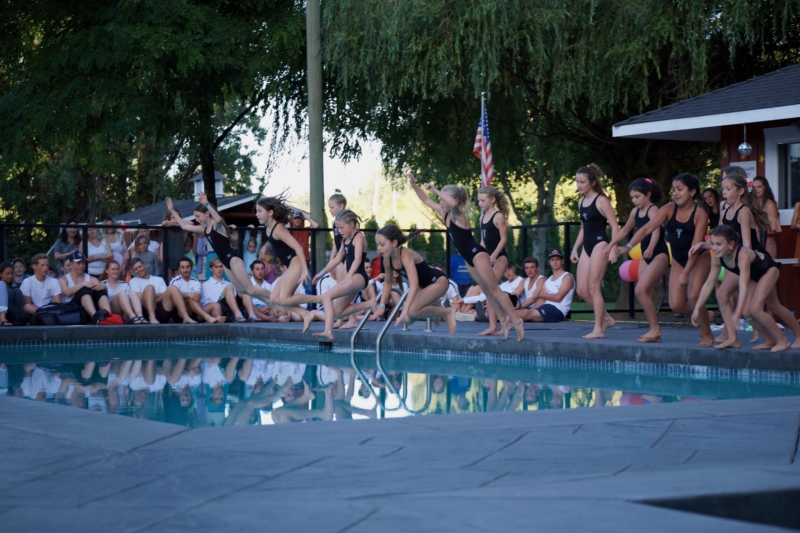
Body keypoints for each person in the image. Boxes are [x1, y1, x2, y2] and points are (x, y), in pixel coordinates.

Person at [409, 173, 522, 340]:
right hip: (468, 259)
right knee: (487, 291)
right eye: (440, 199)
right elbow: (425, 199)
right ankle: (501, 322)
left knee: (494, 290)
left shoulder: (458, 215)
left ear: (454, 200)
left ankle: (516, 321)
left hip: (478, 255)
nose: (441, 202)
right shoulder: (444, 213)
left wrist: (435, 189)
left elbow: (453, 203)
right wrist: (414, 184)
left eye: (444, 198)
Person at [624, 173, 713, 347]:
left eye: (680, 189)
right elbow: (646, 229)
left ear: (692, 192)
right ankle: (705, 315)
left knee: (693, 296)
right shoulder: (669, 209)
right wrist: (627, 246)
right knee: (676, 305)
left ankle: (707, 334)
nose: (676, 193)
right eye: (674, 190)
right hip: (679, 259)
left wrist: (686, 273)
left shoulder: (700, 214)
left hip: (698, 257)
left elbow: (695, 247)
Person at [165, 193, 275, 320]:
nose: (197, 219)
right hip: (225, 263)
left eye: (198, 216)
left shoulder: (217, 226)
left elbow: (218, 219)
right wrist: (172, 210)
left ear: (207, 214)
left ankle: (275, 298)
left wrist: (207, 204)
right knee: (242, 291)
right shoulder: (204, 229)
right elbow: (184, 226)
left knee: (250, 289)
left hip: (233, 259)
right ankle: (269, 301)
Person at [692, 225, 800, 352]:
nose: (714, 248)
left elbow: (743, 287)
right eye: (712, 243)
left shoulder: (742, 255)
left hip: (768, 270)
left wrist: (736, 315)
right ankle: (769, 341)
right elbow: (709, 284)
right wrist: (697, 308)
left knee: (760, 308)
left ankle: (783, 340)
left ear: (731, 244)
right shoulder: (717, 258)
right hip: (754, 276)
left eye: (719, 244)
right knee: (748, 312)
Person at [605, 178, 669, 342]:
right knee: (645, 293)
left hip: (658, 254)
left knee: (640, 291)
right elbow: (625, 230)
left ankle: (655, 329)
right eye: (632, 197)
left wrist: (650, 247)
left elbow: (655, 231)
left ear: (648, 194)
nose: (634, 200)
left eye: (637, 197)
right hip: (645, 256)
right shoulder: (635, 212)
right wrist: (611, 245)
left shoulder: (654, 210)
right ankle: (654, 332)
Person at [371, 224, 456, 333]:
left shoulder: (405, 254)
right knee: (406, 319)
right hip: (423, 287)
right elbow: (388, 282)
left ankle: (447, 312)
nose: (379, 248)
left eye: (382, 244)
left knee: (410, 311)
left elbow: (414, 284)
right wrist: (382, 305)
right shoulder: (387, 260)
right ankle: (435, 304)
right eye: (377, 245)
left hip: (438, 282)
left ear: (394, 243)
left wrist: (405, 309)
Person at [310, 210, 377, 340]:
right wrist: (321, 273)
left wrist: (348, 276)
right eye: (337, 228)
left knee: (327, 296)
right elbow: (336, 259)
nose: (339, 231)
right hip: (353, 277)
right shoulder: (345, 239)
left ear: (351, 225)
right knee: (338, 312)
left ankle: (328, 331)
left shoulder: (358, 237)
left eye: (341, 227)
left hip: (358, 276)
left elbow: (358, 259)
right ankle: (369, 304)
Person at [570, 163, 619, 339]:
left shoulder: (601, 200)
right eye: (577, 182)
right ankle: (606, 318)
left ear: (592, 182)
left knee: (593, 286)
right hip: (587, 246)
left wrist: (612, 248)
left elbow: (614, 225)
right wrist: (574, 249)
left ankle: (598, 329)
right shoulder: (581, 202)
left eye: (582, 182)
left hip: (600, 244)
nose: (579, 185)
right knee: (582, 290)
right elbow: (584, 228)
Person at [255, 194, 316, 331]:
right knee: (275, 298)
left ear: (270, 212)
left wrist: (304, 269)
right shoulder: (268, 228)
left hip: (297, 262)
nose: (256, 214)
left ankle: (320, 299)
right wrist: (265, 247)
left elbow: (298, 247)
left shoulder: (279, 229)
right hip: (290, 265)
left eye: (259, 211)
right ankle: (306, 314)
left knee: (285, 298)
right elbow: (273, 241)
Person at [478, 186, 512, 335]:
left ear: (492, 200)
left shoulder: (498, 217)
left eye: (483, 200)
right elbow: (483, 241)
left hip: (500, 257)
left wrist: (493, 255)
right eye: (479, 201)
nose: (480, 203)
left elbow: (503, 239)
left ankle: (509, 319)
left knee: (491, 289)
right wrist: (480, 256)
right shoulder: (482, 218)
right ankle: (493, 326)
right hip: (489, 258)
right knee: (488, 291)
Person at [127, 257, 196, 324]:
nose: (139, 270)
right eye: (136, 269)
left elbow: (165, 294)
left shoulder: (159, 279)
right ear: (134, 271)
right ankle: (152, 317)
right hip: (146, 312)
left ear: (144, 265)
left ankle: (185, 317)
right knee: (149, 288)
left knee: (172, 288)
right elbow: (141, 297)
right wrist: (158, 295)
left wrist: (152, 298)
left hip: (163, 311)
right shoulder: (133, 281)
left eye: (140, 267)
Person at [516, 250, 574, 323]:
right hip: (545, 307)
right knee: (521, 312)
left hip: (558, 310)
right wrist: (531, 310)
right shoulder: (548, 280)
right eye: (552, 260)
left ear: (562, 261)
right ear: (549, 262)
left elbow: (558, 297)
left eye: (557, 259)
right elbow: (542, 299)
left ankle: (506, 323)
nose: (555, 262)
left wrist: (541, 294)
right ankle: (505, 323)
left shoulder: (567, 277)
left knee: (525, 314)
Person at [58, 251, 111, 323]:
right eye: (78, 263)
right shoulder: (63, 279)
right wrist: (83, 284)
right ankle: (95, 318)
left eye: (83, 263)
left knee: (100, 289)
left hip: (87, 311)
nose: (81, 265)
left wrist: (104, 286)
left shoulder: (92, 278)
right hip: (73, 312)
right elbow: (67, 292)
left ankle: (109, 316)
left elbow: (102, 293)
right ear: (71, 264)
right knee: (84, 289)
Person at [170, 256, 220, 323]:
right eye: (183, 267)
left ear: (191, 268)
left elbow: (197, 293)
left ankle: (218, 319)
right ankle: (207, 317)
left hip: (195, 313)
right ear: (179, 269)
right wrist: (189, 294)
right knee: (188, 298)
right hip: (179, 315)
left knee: (216, 305)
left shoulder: (196, 281)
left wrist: (197, 295)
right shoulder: (175, 281)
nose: (185, 270)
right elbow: (174, 295)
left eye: (188, 267)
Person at [201, 257, 246, 322]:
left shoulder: (229, 283)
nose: (219, 269)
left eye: (221, 266)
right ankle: (238, 313)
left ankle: (252, 315)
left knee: (243, 290)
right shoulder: (205, 285)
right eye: (216, 267)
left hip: (230, 308)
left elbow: (235, 298)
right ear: (211, 268)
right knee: (229, 287)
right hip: (217, 308)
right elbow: (206, 303)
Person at [20, 254, 62, 319]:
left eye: (47, 265)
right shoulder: (27, 281)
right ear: (34, 266)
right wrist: (42, 311)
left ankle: (46, 316)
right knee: (27, 306)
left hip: (50, 311)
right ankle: (44, 315)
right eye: (42, 265)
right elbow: (27, 304)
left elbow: (58, 303)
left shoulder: (54, 281)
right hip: (35, 312)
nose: (46, 268)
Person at [752, 176, 781, 258]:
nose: (756, 190)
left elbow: (772, 230)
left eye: (759, 187)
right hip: (753, 243)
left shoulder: (770, 204)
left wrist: (756, 227)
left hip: (767, 244)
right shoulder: (751, 204)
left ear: (765, 188)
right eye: (754, 187)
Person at [161, 207, 186, 279]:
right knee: (168, 279)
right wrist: (179, 223)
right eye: (173, 217)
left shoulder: (181, 227)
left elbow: (191, 223)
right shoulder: (167, 227)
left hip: (179, 256)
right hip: (168, 257)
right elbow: (164, 223)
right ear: (169, 218)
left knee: (178, 279)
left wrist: (179, 223)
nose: (175, 219)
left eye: (177, 217)